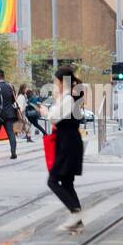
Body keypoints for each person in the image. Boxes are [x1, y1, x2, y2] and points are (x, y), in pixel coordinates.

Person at [41, 65, 85, 232]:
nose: (54, 84)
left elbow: (54, 117)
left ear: (61, 82)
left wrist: (45, 111)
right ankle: (77, 221)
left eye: (56, 81)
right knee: (66, 182)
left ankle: (75, 212)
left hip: (68, 144)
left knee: (53, 181)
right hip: (69, 143)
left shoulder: (67, 98)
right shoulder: (69, 96)